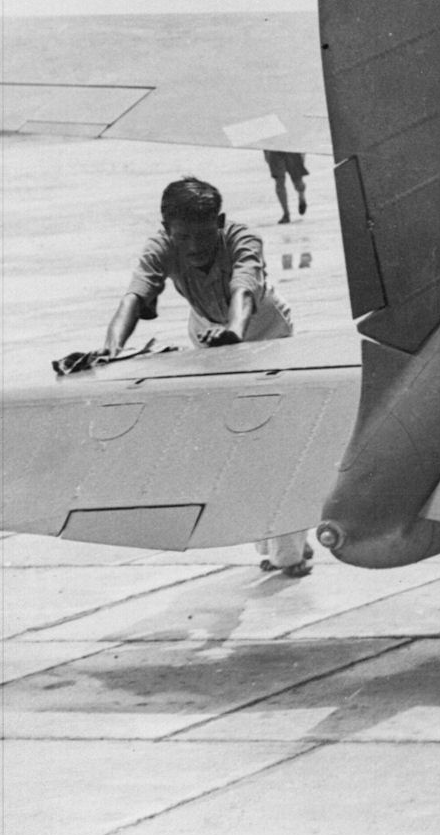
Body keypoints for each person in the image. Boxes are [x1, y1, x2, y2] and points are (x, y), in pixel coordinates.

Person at [98, 176, 307, 573]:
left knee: (273, 436)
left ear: (221, 222)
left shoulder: (243, 239)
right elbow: (134, 296)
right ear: (166, 231)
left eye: (203, 235)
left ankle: (291, 552)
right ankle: (280, 540)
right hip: (208, 332)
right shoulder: (161, 247)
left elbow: (244, 292)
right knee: (238, 441)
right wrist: (111, 351)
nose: (193, 247)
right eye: (182, 237)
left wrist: (234, 333)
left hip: (263, 329)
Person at [263, 150, 308, 224]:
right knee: (279, 182)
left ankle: (301, 196)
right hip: (274, 151)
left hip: (290, 148)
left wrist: (302, 151)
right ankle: (286, 213)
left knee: (298, 181)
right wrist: (265, 152)